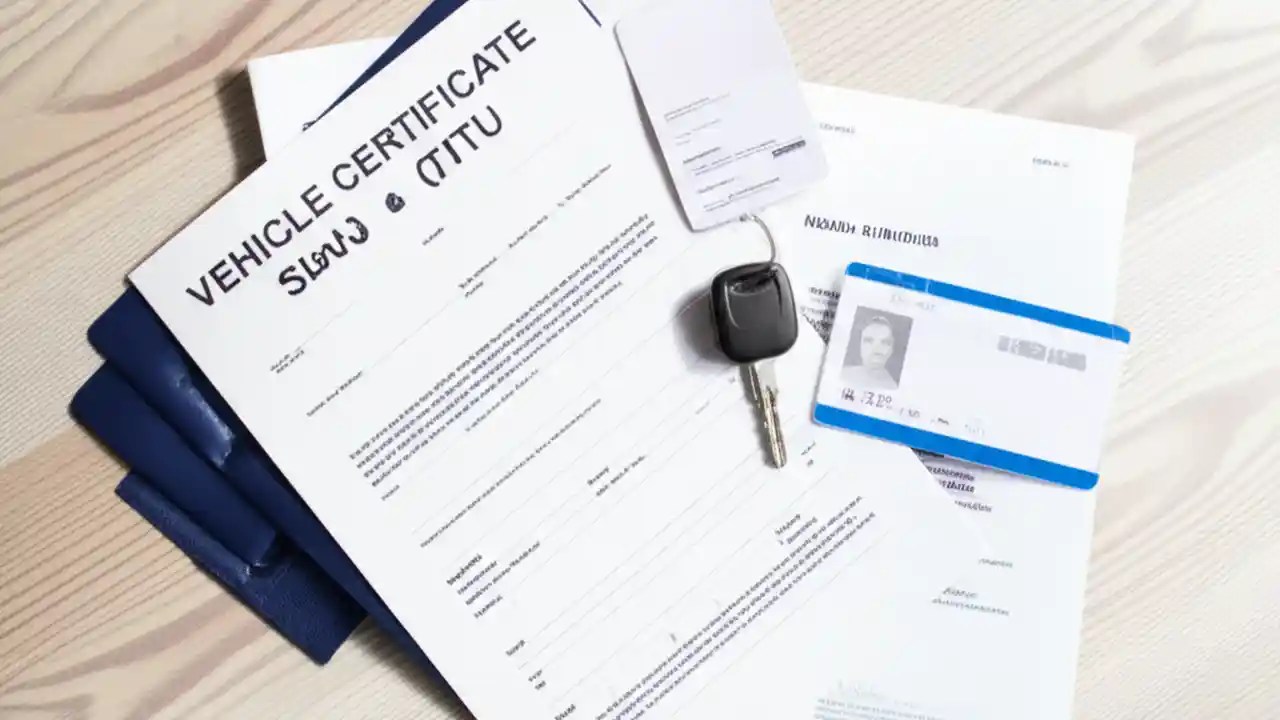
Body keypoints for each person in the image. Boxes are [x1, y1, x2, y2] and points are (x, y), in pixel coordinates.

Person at [843, 316, 899, 390]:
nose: (876, 350)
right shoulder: (842, 374)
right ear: (859, 345)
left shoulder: (893, 388)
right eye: (869, 341)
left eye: (885, 343)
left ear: (891, 349)